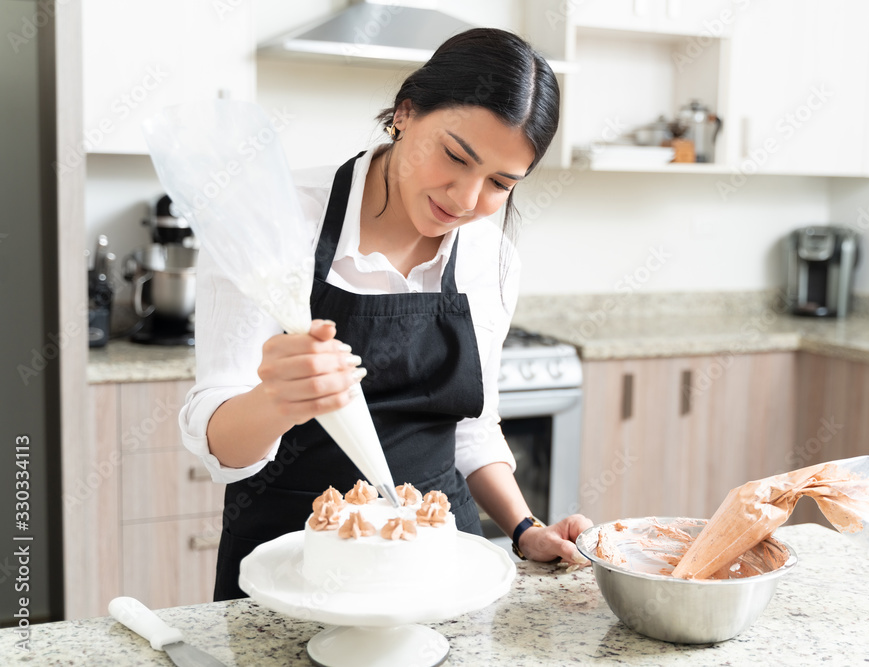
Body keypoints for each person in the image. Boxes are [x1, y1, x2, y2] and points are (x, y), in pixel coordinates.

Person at [179, 27, 592, 601]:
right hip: (292, 565)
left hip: (438, 562)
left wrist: (525, 529)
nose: (467, 200)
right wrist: (275, 401)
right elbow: (220, 446)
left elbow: (473, 428)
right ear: (405, 112)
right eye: (454, 156)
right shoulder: (278, 222)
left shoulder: (489, 258)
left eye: (500, 183)